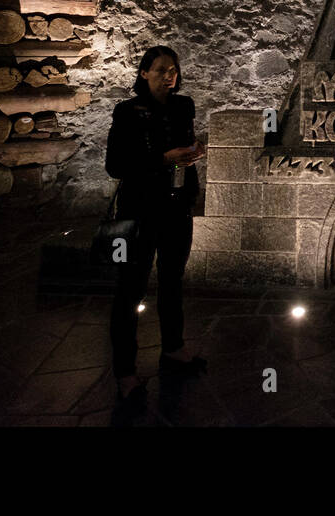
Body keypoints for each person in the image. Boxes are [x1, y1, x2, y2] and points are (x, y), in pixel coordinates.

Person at [105, 45, 206, 402]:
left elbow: (184, 143)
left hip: (176, 207)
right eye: (162, 69)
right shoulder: (128, 112)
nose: (169, 76)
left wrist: (192, 153)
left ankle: (173, 348)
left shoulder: (183, 106)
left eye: (174, 70)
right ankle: (126, 372)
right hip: (140, 210)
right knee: (131, 289)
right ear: (144, 73)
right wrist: (163, 158)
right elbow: (116, 165)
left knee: (172, 281)